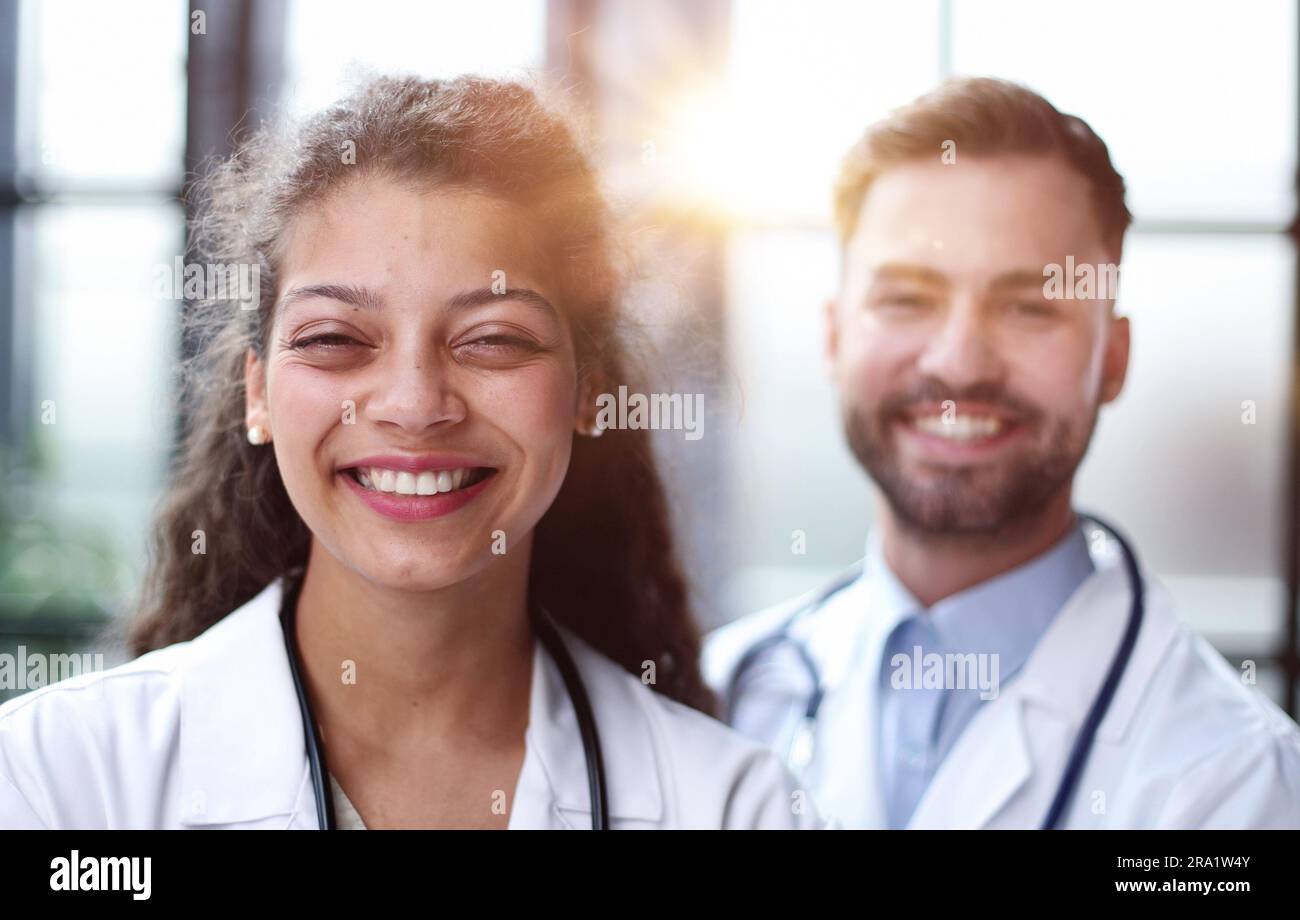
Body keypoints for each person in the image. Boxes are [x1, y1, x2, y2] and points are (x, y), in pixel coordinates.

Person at [0, 75, 822, 830]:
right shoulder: (58, 782)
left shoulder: (728, 805)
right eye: (335, 338)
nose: (414, 404)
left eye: (493, 339)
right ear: (257, 394)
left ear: (586, 392)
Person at [704, 76, 1300, 829]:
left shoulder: (1238, 786)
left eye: (1028, 307)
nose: (959, 364)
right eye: (906, 299)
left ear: (1113, 360)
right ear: (833, 334)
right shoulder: (717, 694)